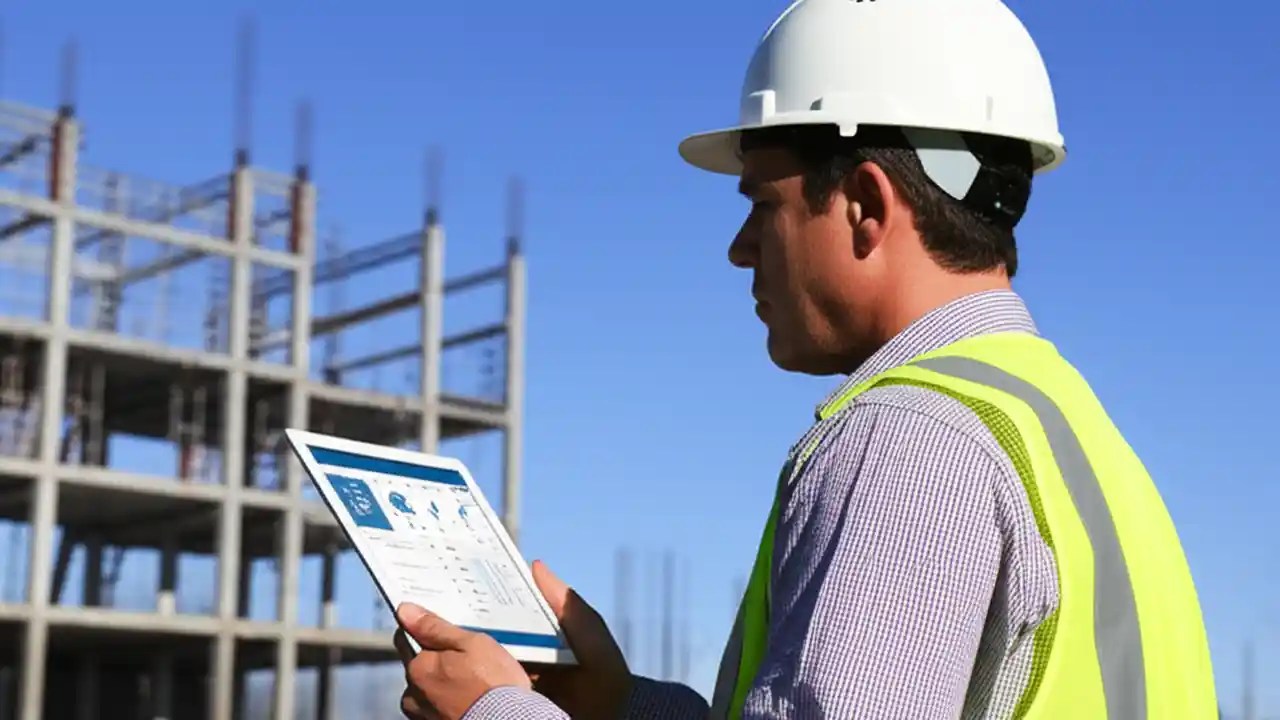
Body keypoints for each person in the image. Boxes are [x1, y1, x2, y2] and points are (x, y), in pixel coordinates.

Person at [392, 0, 1221, 717]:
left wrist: (495, 713)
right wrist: (620, 707)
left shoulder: (908, 439)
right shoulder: (1066, 432)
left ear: (864, 204)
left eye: (762, 203)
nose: (739, 249)